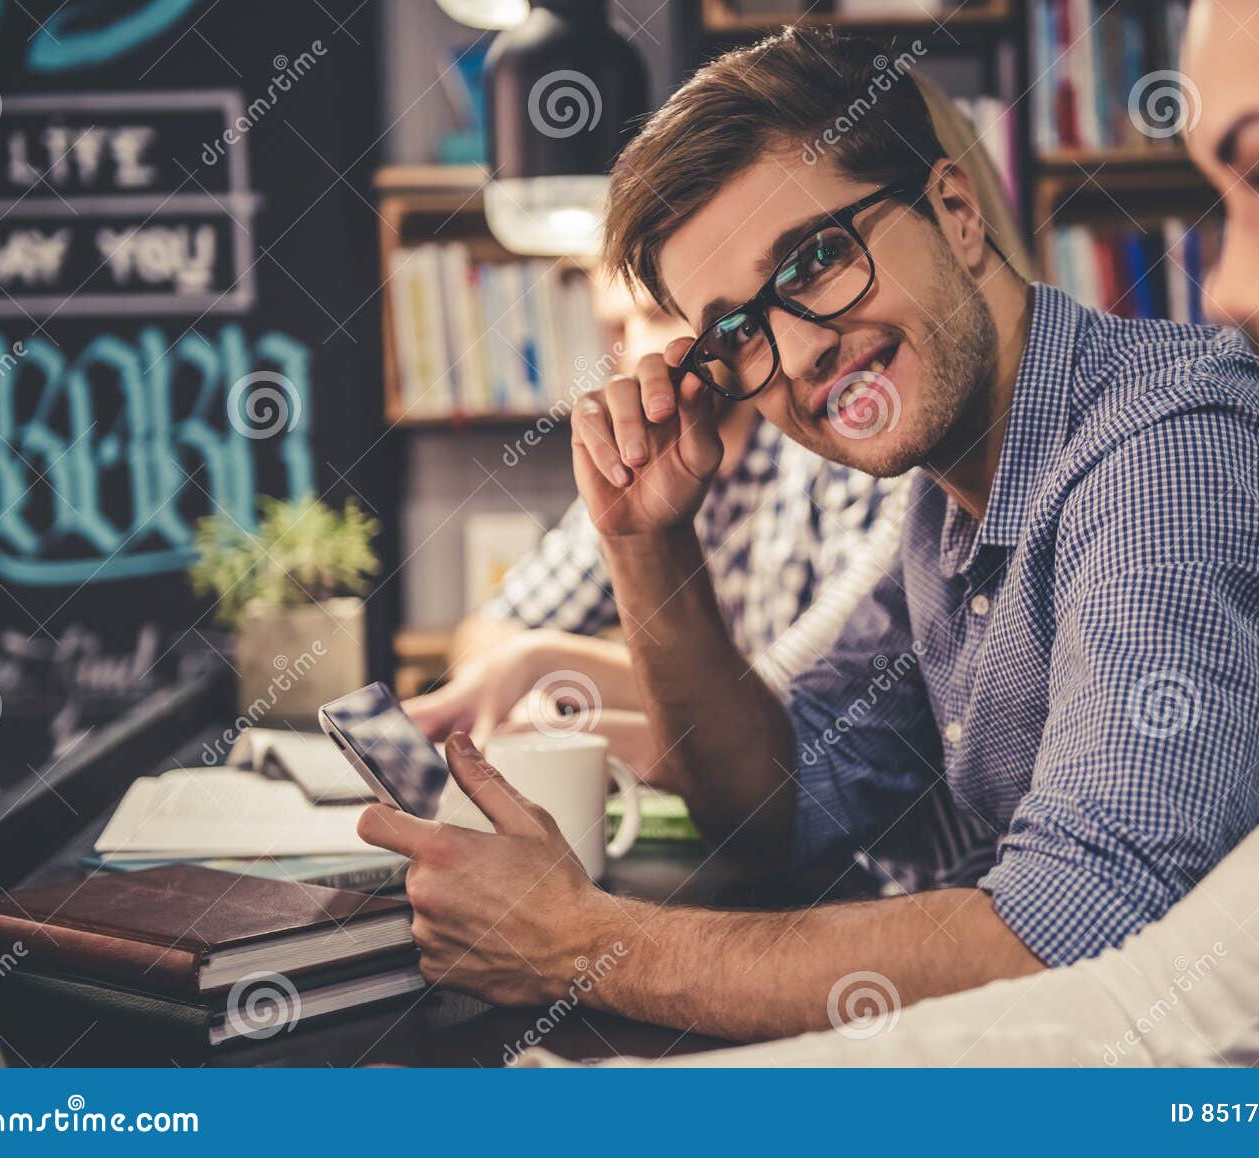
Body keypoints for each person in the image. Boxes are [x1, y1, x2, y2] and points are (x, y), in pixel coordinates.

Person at [358, 27, 1259, 1064]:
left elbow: (1076, 937)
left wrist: (580, 946)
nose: (799, 353)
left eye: (819, 257)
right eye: (736, 333)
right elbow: (782, 808)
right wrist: (646, 544)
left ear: (956, 212)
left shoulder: (1167, 459)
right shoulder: (949, 500)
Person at [405, 81, 1037, 781]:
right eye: (614, 329)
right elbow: (487, 635)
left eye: (819, 261)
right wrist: (632, 574)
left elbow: (790, 715)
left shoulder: (858, 447)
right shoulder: (659, 465)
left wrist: (550, 666)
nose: (633, 354)